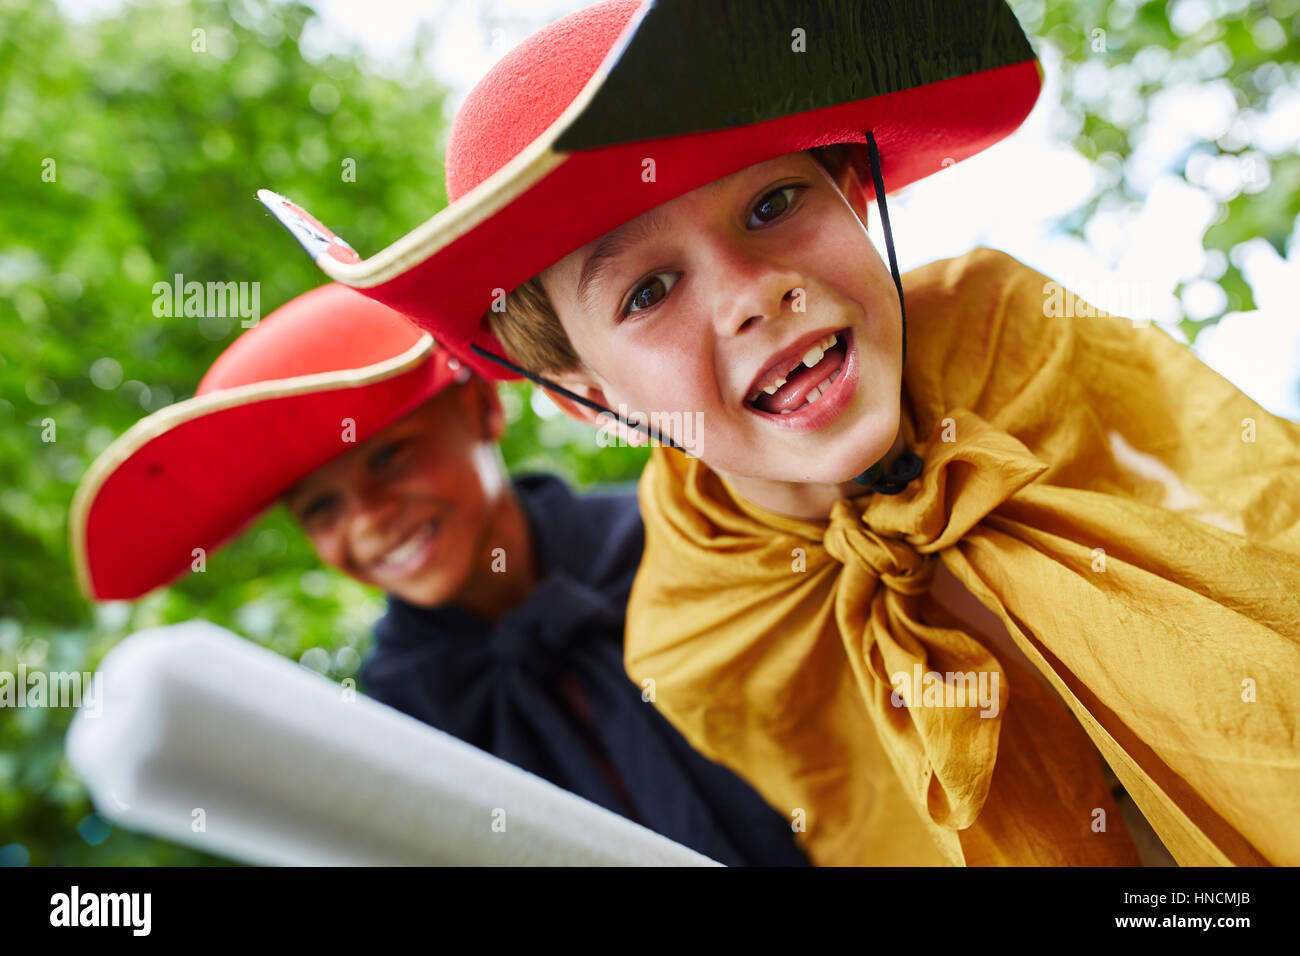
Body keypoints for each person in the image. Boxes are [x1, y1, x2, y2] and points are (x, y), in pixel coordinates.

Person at [266, 0, 1300, 867]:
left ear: (856, 197)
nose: (753, 295)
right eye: (649, 289)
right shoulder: (694, 631)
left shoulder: (1030, 346)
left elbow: (1257, 511)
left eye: (771, 203)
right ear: (580, 395)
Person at [71, 283, 810, 866]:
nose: (368, 521)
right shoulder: (387, 715)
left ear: (484, 409)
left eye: (391, 457)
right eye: (322, 507)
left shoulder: (685, 538)